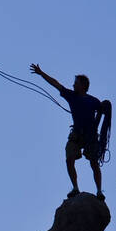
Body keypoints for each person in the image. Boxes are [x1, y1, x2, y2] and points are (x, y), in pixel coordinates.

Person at [29, 65, 106, 199]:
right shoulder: (71, 96)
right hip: (77, 133)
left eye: (75, 83)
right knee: (69, 159)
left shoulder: (93, 101)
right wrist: (41, 73)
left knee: (94, 162)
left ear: (82, 86)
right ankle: (75, 188)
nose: (73, 84)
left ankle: (99, 191)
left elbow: (102, 111)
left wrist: (98, 119)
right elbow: (56, 84)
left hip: (90, 136)